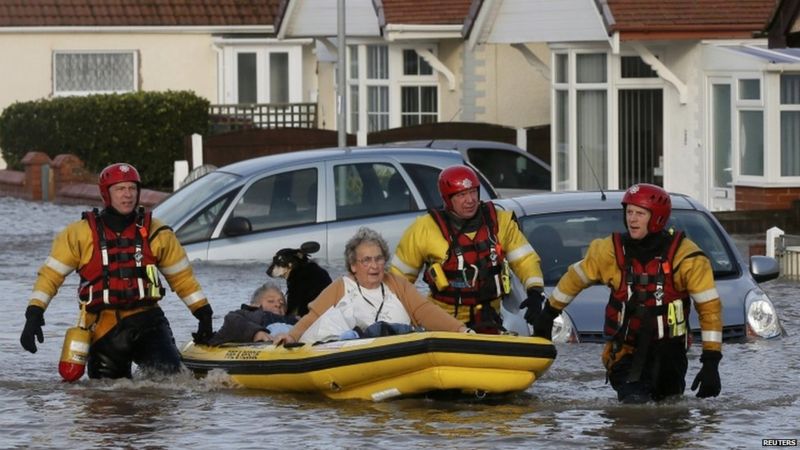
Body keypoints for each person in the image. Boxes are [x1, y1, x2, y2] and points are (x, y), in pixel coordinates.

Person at [19, 163, 214, 379]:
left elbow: (182, 279)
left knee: (170, 388)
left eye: (132, 188)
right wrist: (34, 314)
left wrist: (203, 313)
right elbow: (50, 276)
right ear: (106, 193)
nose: (127, 195)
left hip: (148, 323)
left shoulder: (157, 233)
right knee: (106, 401)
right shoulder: (79, 234)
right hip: (104, 329)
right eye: (120, 189)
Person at [533, 183, 722, 403]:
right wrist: (548, 313)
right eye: (629, 212)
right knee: (634, 412)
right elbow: (574, 279)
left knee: (670, 417)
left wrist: (711, 361)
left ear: (658, 218)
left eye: (640, 214)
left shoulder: (687, 257)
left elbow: (710, 310)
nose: (632, 219)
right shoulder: (608, 251)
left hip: (670, 355)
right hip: (625, 353)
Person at [390, 165, 545, 333]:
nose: (470, 200)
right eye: (462, 195)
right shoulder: (424, 229)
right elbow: (398, 280)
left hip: (490, 319)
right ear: (448, 199)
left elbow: (525, 260)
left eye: (473, 192)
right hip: (444, 324)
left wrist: (535, 292)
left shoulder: (501, 222)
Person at [274, 227, 471, 345]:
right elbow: (313, 317)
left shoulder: (397, 284)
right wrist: (292, 336)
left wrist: (461, 330)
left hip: (402, 349)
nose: (374, 266)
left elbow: (425, 311)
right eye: (366, 260)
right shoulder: (341, 286)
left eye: (378, 259)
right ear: (353, 265)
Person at [208, 282, 298, 345]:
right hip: (271, 342)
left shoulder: (293, 320)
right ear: (255, 304)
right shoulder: (250, 314)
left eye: (282, 303)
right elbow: (231, 320)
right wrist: (256, 333)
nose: (278, 304)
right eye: (271, 301)